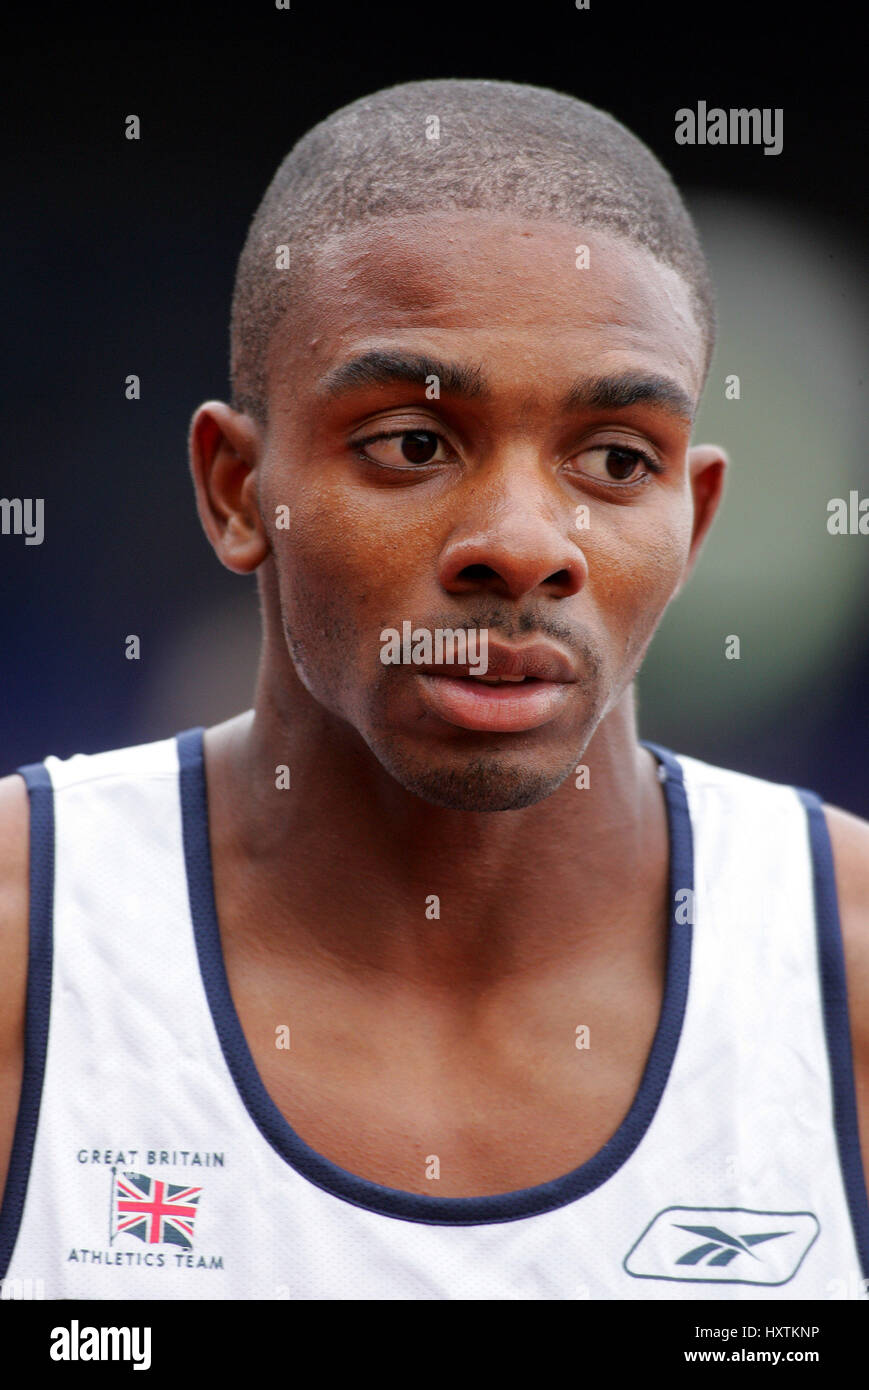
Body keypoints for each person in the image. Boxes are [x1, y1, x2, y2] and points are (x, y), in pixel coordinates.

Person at [0, 78, 866, 1301]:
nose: (521, 543)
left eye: (616, 459)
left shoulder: (843, 982)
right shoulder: (27, 952)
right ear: (236, 492)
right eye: (412, 441)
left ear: (696, 519)